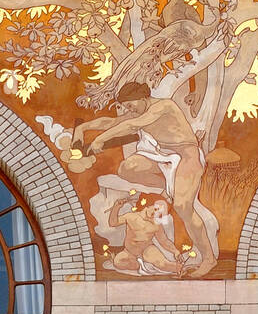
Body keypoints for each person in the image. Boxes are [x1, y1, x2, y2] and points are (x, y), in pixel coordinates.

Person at [72, 82, 220, 275]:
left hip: (186, 155)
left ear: (143, 98)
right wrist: (83, 128)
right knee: (127, 168)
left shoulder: (163, 106)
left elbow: (132, 125)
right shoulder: (140, 111)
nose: (128, 109)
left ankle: (209, 258)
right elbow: (112, 122)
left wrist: (100, 140)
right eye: (126, 106)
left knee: (183, 206)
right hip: (160, 155)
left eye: (130, 104)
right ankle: (168, 188)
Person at [106, 197, 187, 276]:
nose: (155, 214)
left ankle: (179, 268)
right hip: (130, 251)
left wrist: (175, 251)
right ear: (148, 205)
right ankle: (142, 264)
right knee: (118, 262)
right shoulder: (131, 217)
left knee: (162, 264)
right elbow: (113, 223)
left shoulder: (157, 224)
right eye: (155, 209)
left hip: (147, 250)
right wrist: (116, 207)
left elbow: (164, 241)